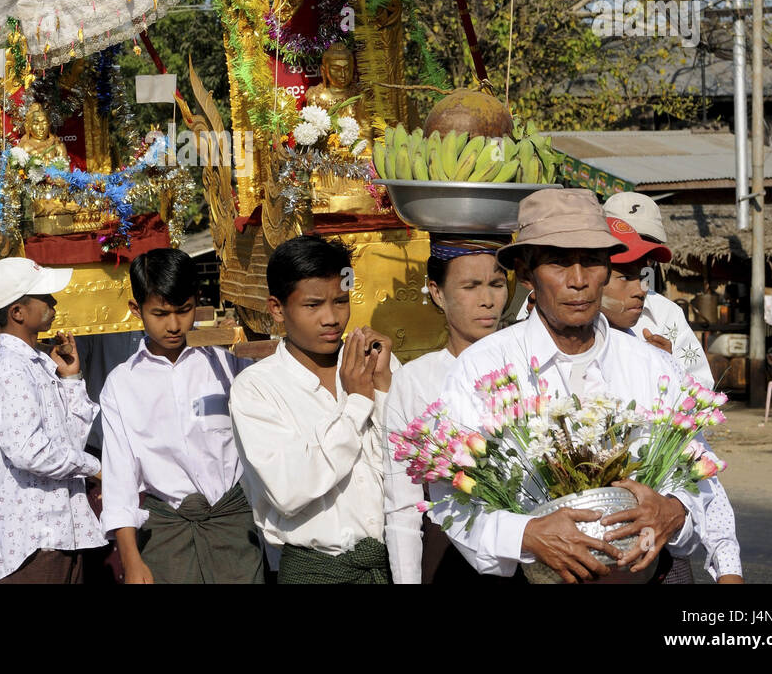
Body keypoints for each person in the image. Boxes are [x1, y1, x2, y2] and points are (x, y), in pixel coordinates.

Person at [432, 189, 720, 583]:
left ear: (607, 268)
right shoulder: (484, 369)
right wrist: (527, 535)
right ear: (526, 273)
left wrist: (676, 511)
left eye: (593, 262)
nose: (579, 281)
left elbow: (699, 474)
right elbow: (451, 494)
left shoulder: (653, 367)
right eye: (558, 263)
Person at [230, 234, 394, 584]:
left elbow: (408, 468)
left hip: (391, 563)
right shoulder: (257, 388)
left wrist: (385, 389)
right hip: (315, 571)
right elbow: (290, 490)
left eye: (340, 301)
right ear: (277, 308)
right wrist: (358, 402)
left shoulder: (373, 366)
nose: (331, 318)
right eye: (313, 305)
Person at [99, 248, 263, 585]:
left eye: (184, 311)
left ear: (197, 302)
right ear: (136, 309)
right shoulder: (121, 384)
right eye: (160, 313)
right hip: (165, 534)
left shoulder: (228, 364)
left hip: (234, 528)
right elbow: (120, 479)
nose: (174, 325)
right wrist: (132, 562)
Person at [598, 217, 743, 584]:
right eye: (622, 274)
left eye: (642, 273)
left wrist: (727, 564)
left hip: (660, 552)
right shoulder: (524, 357)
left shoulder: (658, 348)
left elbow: (696, 457)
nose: (639, 290)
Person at [384, 237, 511, 584]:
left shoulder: (525, 367)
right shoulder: (415, 381)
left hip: (532, 550)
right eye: (470, 286)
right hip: (447, 556)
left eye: (497, 285)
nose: (487, 300)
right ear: (437, 293)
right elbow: (402, 503)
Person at [0, 257, 105, 584]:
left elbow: (68, 441)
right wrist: (95, 468)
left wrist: (72, 379)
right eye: (44, 298)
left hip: (59, 533)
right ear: (18, 312)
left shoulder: (37, 365)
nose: (53, 303)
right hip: (33, 539)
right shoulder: (9, 370)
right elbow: (29, 451)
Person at [603, 191, 712, 384]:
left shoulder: (667, 314)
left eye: (647, 246)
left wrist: (669, 367)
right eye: (624, 243)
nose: (638, 254)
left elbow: (704, 393)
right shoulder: (565, 308)